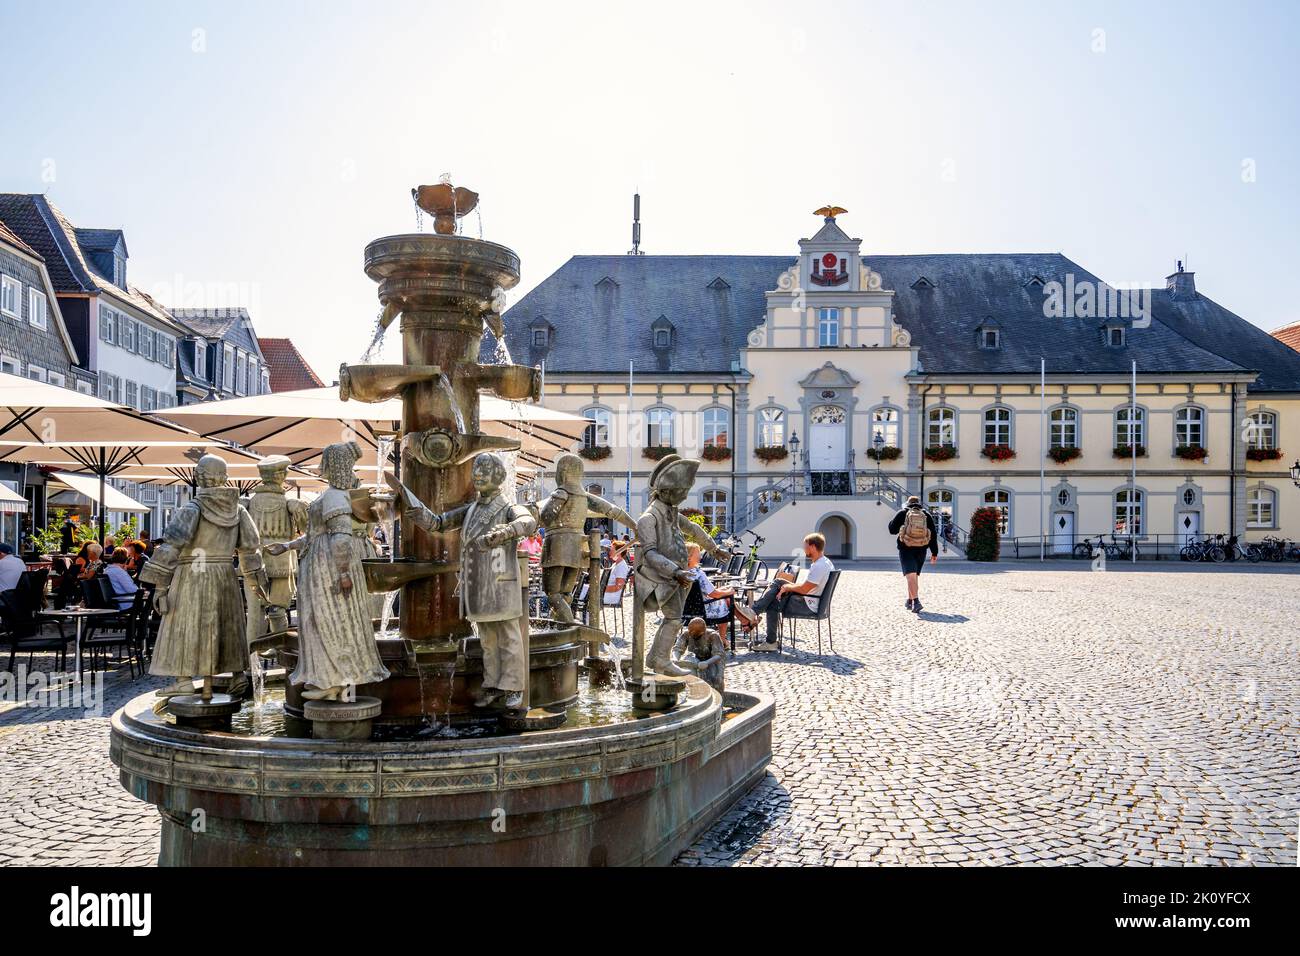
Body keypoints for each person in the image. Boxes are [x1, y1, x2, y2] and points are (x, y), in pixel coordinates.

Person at [749, 532, 835, 651]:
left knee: (773, 602)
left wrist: (788, 587)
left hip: (809, 605)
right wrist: (787, 586)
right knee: (779, 584)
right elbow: (806, 586)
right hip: (812, 601)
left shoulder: (819, 566)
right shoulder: (824, 562)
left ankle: (754, 614)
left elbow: (805, 589)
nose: (804, 550)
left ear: (813, 547)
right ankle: (755, 615)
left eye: (806, 547)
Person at [888, 495, 939, 612]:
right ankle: (910, 600)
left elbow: (892, 530)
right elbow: (933, 535)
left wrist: (894, 521)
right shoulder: (926, 515)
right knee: (914, 576)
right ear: (919, 504)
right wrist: (934, 553)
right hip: (921, 549)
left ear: (908, 503)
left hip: (906, 549)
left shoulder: (902, 513)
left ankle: (916, 601)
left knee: (910, 576)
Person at [684, 542, 736, 646]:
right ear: (689, 557)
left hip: (685, 610)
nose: (700, 556)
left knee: (725, 597)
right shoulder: (698, 573)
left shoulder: (681, 573)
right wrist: (730, 592)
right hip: (703, 610)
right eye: (697, 553)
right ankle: (722, 640)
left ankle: (747, 621)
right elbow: (714, 594)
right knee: (726, 602)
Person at [672, 616, 726, 692]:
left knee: (717, 678)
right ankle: (694, 693)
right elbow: (677, 648)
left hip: (713, 660)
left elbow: (719, 654)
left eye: (695, 635)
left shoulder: (713, 635)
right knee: (688, 672)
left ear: (702, 632)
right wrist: (675, 658)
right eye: (691, 633)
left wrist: (707, 662)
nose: (692, 635)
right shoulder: (687, 634)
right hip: (695, 659)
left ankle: (719, 698)